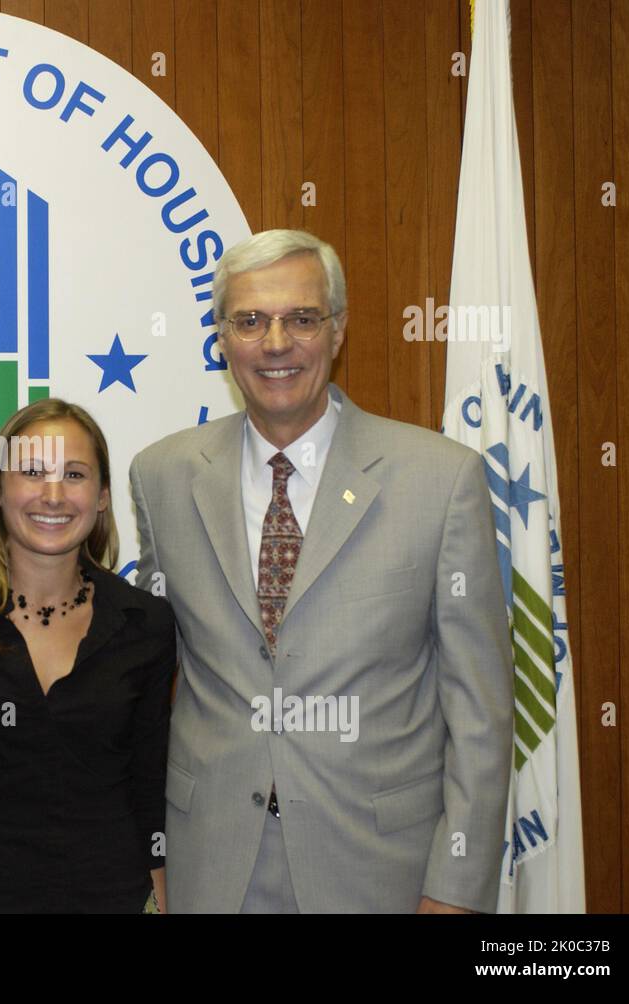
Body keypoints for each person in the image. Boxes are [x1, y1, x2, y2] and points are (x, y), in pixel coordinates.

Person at [129, 229, 513, 913]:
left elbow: (480, 713)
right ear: (222, 336)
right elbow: (147, 684)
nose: (275, 343)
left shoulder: (441, 480)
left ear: (337, 330)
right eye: (250, 321)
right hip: (210, 867)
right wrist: (147, 860)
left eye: (302, 318)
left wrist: (455, 891)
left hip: (378, 871)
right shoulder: (162, 476)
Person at [0, 399, 176, 913]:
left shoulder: (146, 624)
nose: (53, 495)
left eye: (74, 474)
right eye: (32, 472)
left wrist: (161, 895)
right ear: (0, 492)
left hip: (113, 895)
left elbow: (148, 781)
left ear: (101, 498)